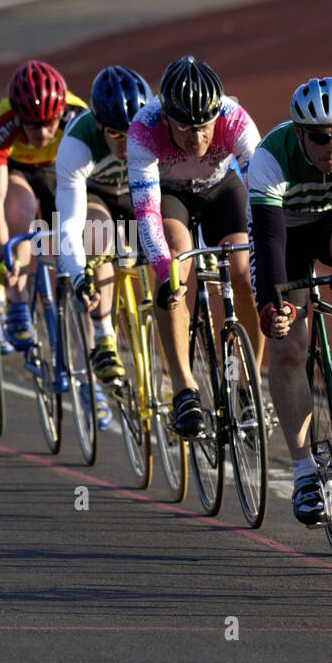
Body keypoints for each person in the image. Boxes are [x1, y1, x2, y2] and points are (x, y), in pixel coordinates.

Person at [248, 77, 332, 525]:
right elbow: (268, 242)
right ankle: (304, 472)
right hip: (287, 234)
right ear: (299, 133)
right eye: (321, 138)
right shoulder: (270, 156)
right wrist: (271, 305)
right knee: (288, 347)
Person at [128, 56, 263, 437]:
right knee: (176, 259)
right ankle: (184, 389)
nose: (196, 138)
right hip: (171, 197)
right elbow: (147, 211)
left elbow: (262, 195)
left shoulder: (235, 118)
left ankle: (247, 384)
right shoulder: (143, 128)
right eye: (184, 127)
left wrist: (268, 257)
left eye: (204, 126)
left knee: (245, 272)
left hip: (222, 190)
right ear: (165, 116)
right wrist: (164, 271)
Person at [0, 59, 87, 351]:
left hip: (59, 169)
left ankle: (89, 352)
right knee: (20, 210)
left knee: (74, 235)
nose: (41, 133)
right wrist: (5, 255)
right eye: (32, 125)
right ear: (18, 116)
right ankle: (17, 299)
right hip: (18, 171)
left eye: (49, 123)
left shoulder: (77, 114)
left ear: (60, 112)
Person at [56, 65, 152, 383]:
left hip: (141, 193)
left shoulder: (158, 125)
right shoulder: (77, 143)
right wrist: (79, 275)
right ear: (98, 124)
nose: (125, 144)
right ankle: (104, 337)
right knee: (98, 234)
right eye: (114, 133)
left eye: (132, 132)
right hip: (98, 198)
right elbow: (68, 224)